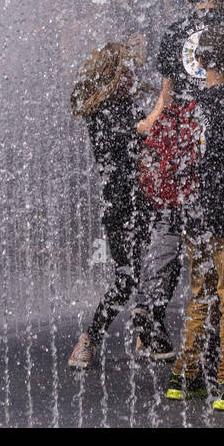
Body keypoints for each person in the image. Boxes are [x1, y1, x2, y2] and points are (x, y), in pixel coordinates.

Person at [134, 0, 224, 359]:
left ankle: (153, 311)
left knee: (172, 226)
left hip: (183, 143)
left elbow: (165, 96)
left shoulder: (173, 33)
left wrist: (148, 127)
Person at [164, 20, 224, 411]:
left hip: (195, 213)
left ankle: (185, 377)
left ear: (201, 61)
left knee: (200, 294)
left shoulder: (190, 107)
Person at [68, 39, 154, 369]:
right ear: (114, 74)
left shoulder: (125, 105)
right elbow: (136, 133)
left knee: (152, 270)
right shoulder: (102, 111)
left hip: (144, 200)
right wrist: (161, 106)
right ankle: (90, 338)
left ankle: (145, 332)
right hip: (120, 203)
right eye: (127, 70)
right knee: (127, 277)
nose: (134, 75)